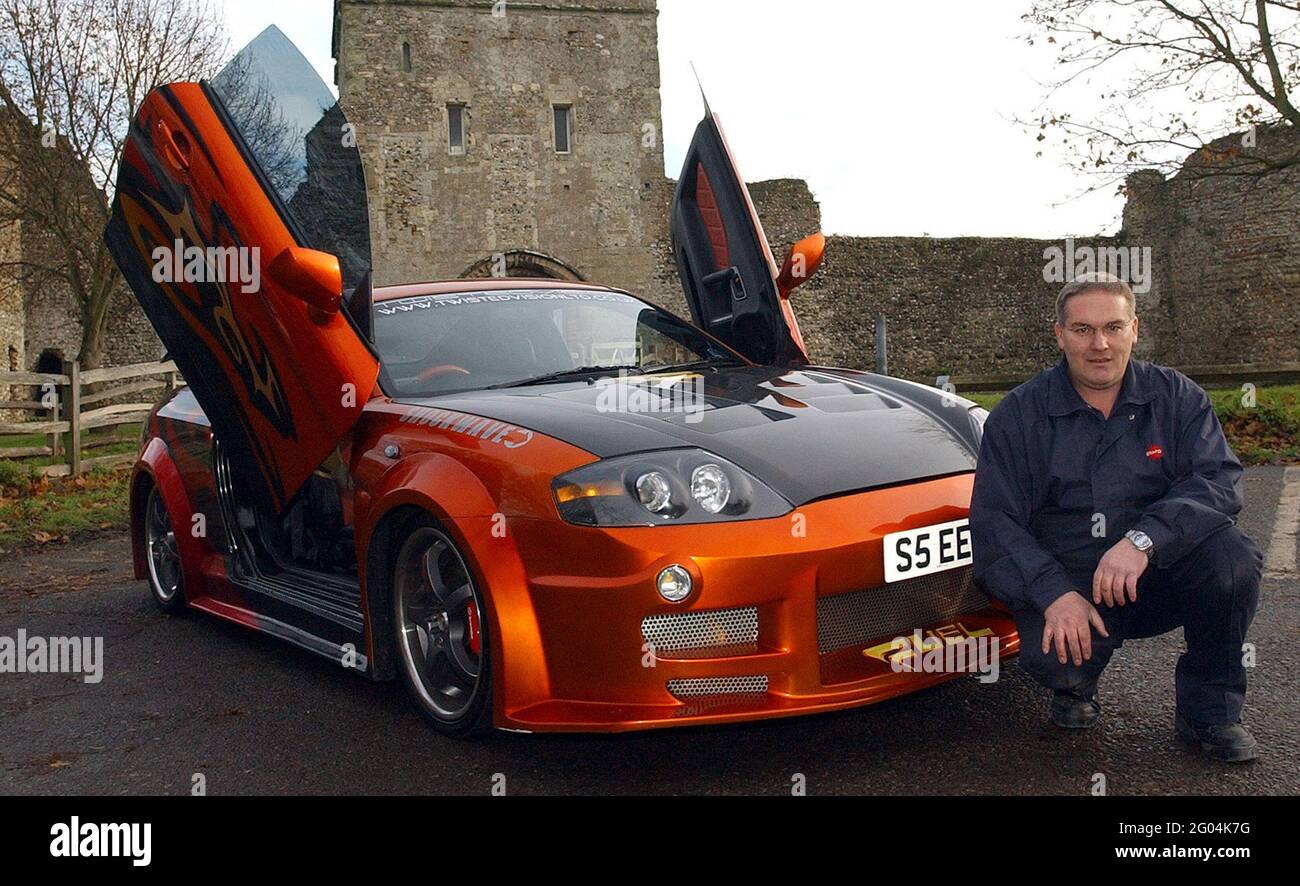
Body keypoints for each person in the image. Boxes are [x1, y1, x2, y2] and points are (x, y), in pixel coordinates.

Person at [970, 272, 1264, 762]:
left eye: (1113, 327)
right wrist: (1051, 594)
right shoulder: (1018, 415)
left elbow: (1217, 480)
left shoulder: (1178, 397)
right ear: (1059, 334)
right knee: (1057, 662)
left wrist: (1144, 541)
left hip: (1158, 566)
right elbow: (996, 522)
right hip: (1071, 578)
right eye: (1083, 330)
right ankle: (1074, 684)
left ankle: (1209, 712)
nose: (1099, 344)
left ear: (1135, 328)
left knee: (1232, 561)